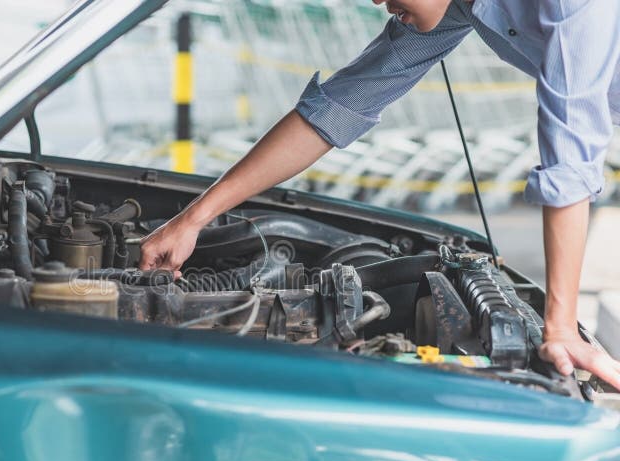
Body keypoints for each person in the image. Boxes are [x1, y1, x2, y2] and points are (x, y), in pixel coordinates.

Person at [140, 0, 620, 390]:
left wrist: (560, 326)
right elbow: (336, 107)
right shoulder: (458, 8)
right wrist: (192, 219)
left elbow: (570, 157)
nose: (374, 0)